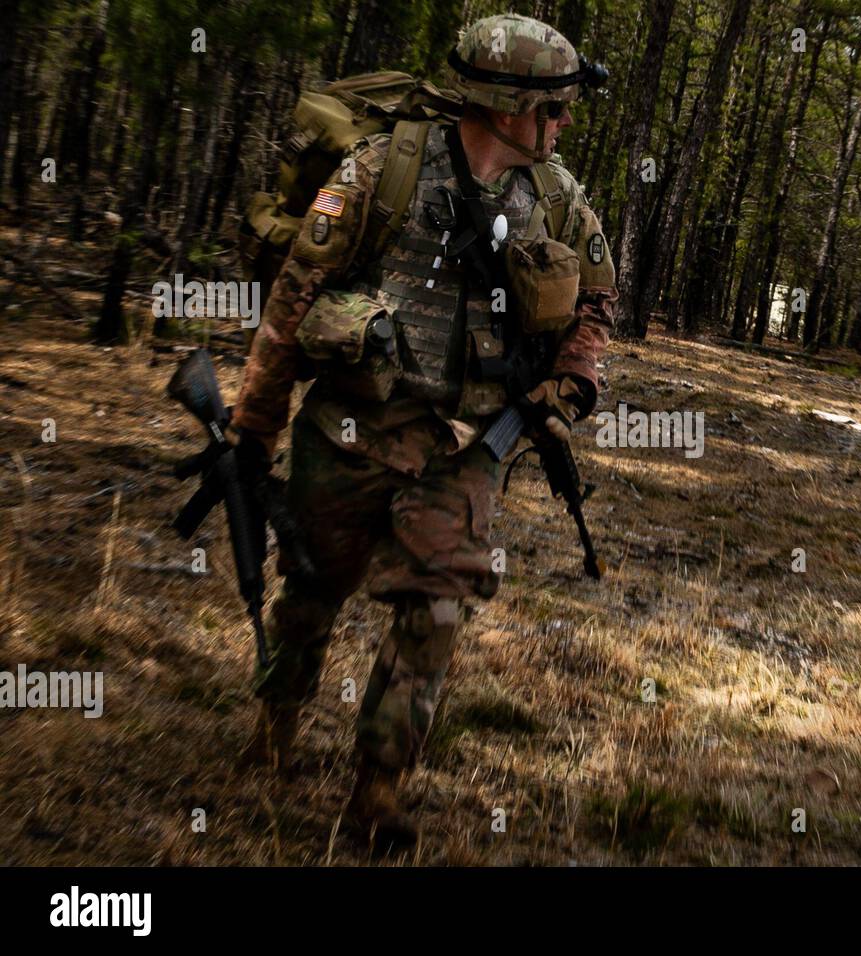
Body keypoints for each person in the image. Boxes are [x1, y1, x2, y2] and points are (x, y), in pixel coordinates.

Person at [228, 12, 616, 847]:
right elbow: (294, 299)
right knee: (310, 599)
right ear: (501, 103)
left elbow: (598, 299)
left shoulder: (557, 196)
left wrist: (574, 379)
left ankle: (376, 792)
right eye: (551, 107)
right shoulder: (381, 172)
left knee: (435, 615)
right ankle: (276, 723)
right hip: (349, 434)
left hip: (466, 447)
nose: (564, 122)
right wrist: (254, 429)